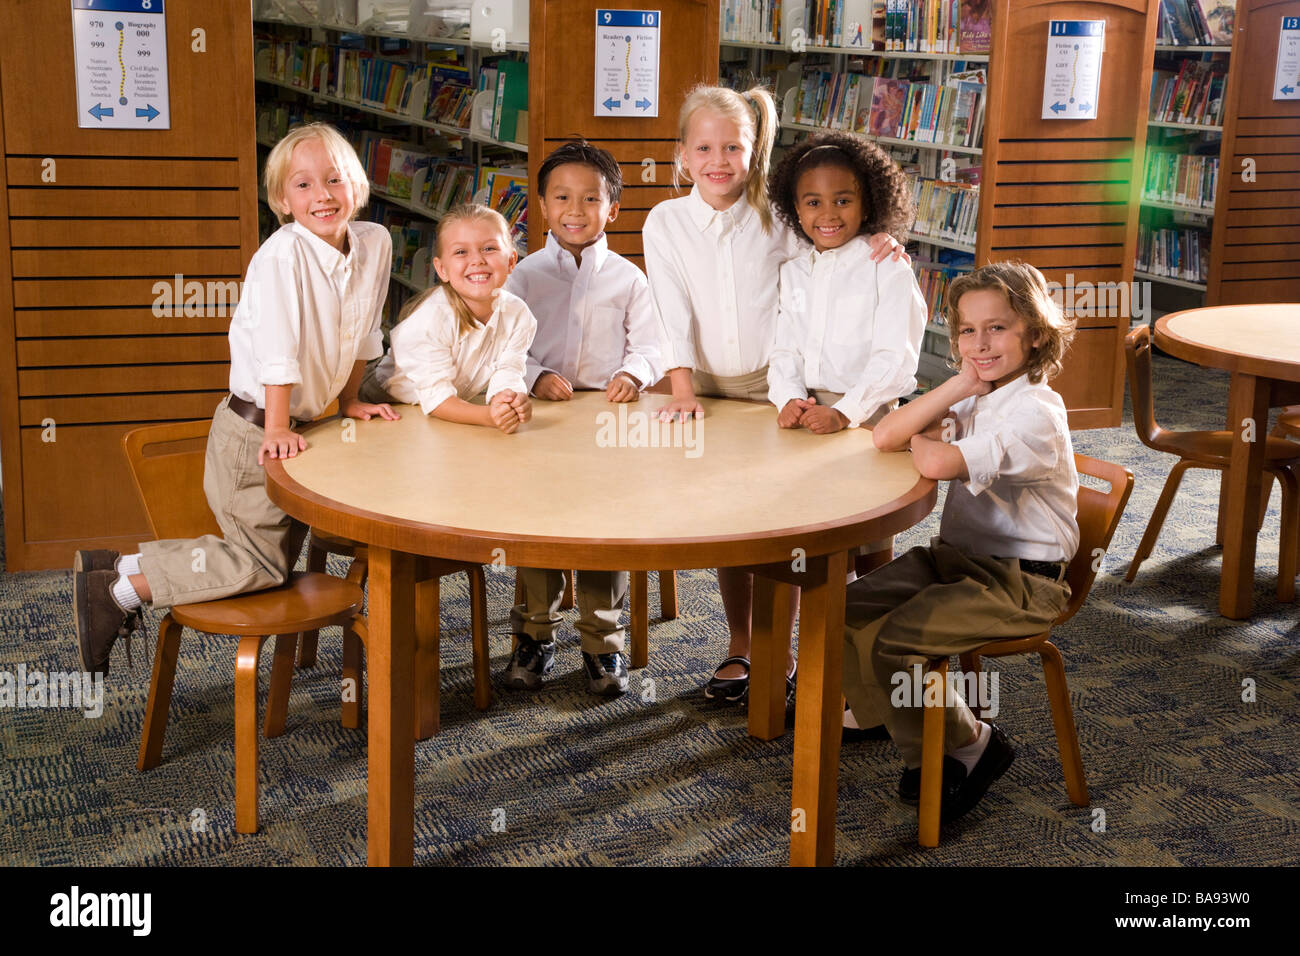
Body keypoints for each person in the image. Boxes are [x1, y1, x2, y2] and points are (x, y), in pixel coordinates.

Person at [73, 122, 399, 675]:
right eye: (302, 185)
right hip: (254, 431)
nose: (322, 195)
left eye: (334, 179)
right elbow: (278, 353)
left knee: (277, 554)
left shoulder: (375, 243)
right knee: (262, 564)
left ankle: (118, 564)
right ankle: (117, 592)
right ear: (280, 200)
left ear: (357, 185)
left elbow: (365, 332)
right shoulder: (280, 258)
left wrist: (347, 401)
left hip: (304, 426)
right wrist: (275, 429)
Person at [641, 84, 905, 706]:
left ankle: (822, 652)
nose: (719, 160)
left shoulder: (782, 216)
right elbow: (669, 308)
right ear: (681, 154)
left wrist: (878, 241)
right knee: (733, 523)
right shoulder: (666, 222)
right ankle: (746, 644)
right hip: (704, 385)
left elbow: (828, 256)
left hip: (776, 387)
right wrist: (681, 385)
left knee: (792, 519)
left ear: (755, 150)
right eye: (704, 147)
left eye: (734, 146)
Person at [845, 259, 1079, 821]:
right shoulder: (980, 394)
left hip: (1021, 582)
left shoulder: (1034, 412)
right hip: (960, 560)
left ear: (1036, 333)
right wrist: (959, 384)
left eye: (997, 328)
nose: (980, 343)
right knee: (842, 609)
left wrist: (932, 426)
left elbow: (935, 456)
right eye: (967, 331)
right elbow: (886, 436)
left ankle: (970, 744)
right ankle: (903, 722)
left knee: (893, 643)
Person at [500, 139, 663, 695]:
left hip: (605, 423)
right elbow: (506, 349)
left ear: (612, 209)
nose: (575, 209)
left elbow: (652, 346)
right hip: (541, 419)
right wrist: (534, 375)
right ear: (542, 206)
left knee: (603, 530)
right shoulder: (521, 277)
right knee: (537, 526)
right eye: (562, 197)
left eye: (591, 198)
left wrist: (634, 373)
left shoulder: (629, 278)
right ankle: (534, 634)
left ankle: (602, 641)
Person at [358, 204, 534, 434]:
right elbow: (437, 397)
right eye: (461, 252)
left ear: (511, 261)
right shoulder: (430, 321)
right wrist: (487, 416)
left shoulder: (519, 315)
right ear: (442, 270)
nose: (477, 260)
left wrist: (509, 400)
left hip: (445, 404)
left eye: (489, 248)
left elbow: (509, 369)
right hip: (386, 404)